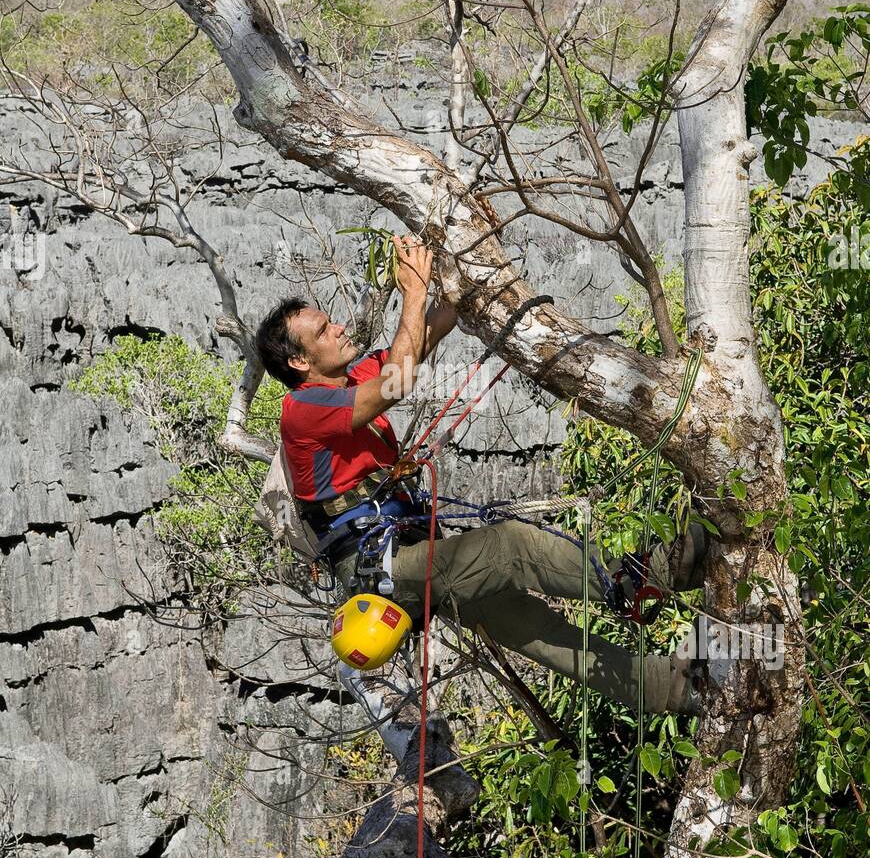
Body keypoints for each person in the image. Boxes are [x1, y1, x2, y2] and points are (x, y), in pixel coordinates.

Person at [255, 235, 708, 714]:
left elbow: (429, 331)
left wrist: (461, 271)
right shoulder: (301, 409)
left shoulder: (354, 377)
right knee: (510, 548)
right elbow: (399, 381)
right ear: (300, 362)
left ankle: (665, 689)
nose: (340, 328)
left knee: (527, 623)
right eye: (324, 330)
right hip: (382, 571)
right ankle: (641, 575)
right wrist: (412, 290)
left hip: (406, 553)